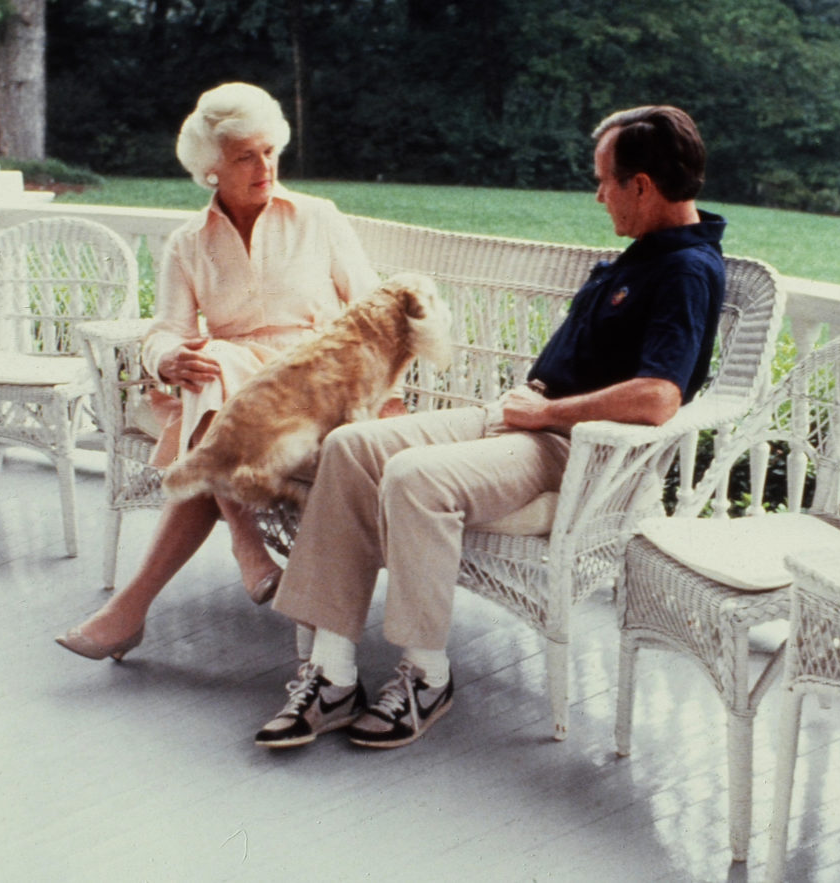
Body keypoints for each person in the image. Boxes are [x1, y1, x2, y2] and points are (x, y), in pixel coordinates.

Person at [254, 105, 726, 749]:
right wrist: (527, 407)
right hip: (518, 416)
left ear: (641, 184)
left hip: (567, 445)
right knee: (350, 446)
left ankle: (427, 675)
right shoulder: (642, 255)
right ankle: (333, 676)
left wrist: (546, 415)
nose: (598, 194)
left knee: (416, 479)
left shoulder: (686, 270)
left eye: (604, 180)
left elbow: (658, 397)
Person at [56, 82, 400, 662]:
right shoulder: (188, 243)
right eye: (245, 156)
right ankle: (231, 548)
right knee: (207, 364)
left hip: (313, 377)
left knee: (213, 382)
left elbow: (372, 307)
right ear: (211, 168)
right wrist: (163, 357)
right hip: (232, 380)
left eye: (269, 151)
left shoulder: (319, 218)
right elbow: (166, 327)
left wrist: (364, 376)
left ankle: (152, 597)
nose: (264, 166)